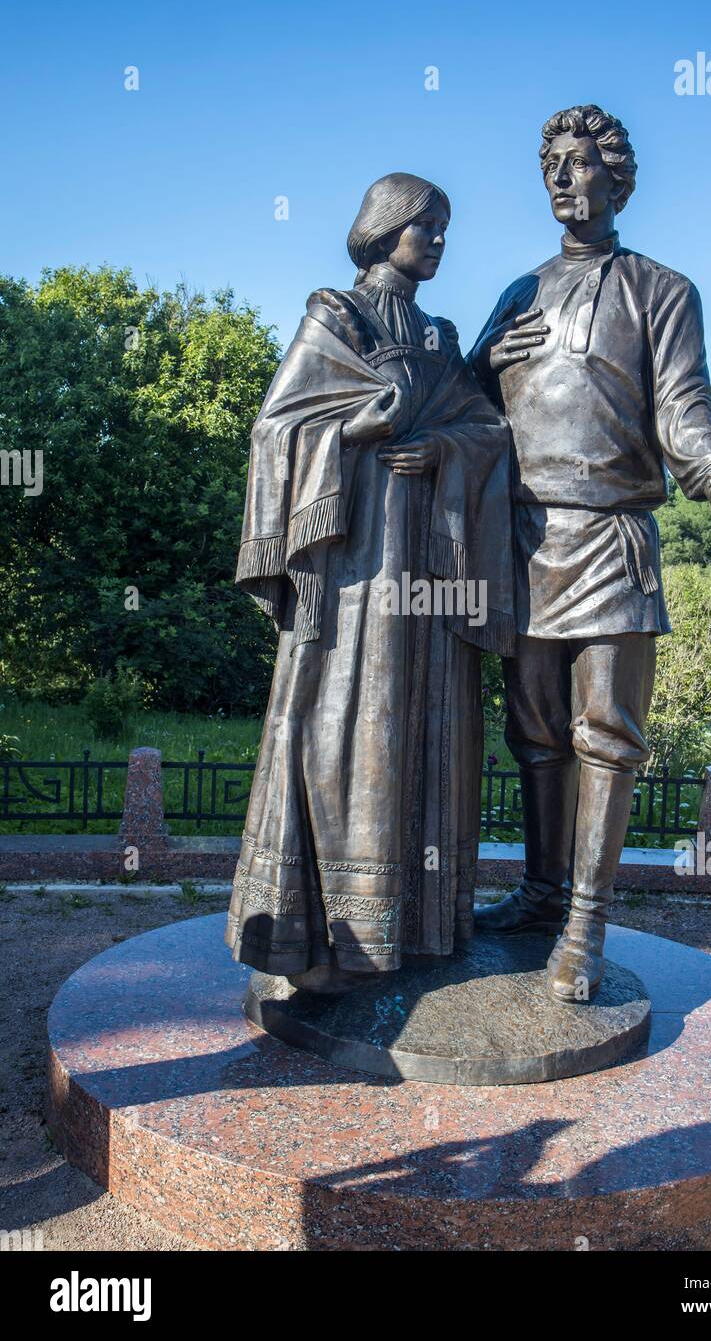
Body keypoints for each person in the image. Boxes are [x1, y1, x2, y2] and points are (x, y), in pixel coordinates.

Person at [469, 106, 711, 1003]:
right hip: (525, 539)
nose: (563, 177)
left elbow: (683, 403)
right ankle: (541, 892)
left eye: (581, 163)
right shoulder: (518, 292)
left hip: (610, 536)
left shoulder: (660, 290)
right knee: (535, 736)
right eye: (551, 162)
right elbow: (468, 406)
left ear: (618, 178)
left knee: (606, 736)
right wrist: (483, 365)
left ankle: (585, 927)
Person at [226, 173, 515, 991]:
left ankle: (419, 927)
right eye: (428, 227)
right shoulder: (335, 316)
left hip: (429, 564)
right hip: (352, 574)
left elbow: (485, 428)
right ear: (386, 229)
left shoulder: (439, 334)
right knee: (342, 719)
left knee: (424, 722)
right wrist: (358, 425)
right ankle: (320, 938)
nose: (439, 242)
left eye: (444, 228)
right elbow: (276, 428)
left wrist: (444, 452)